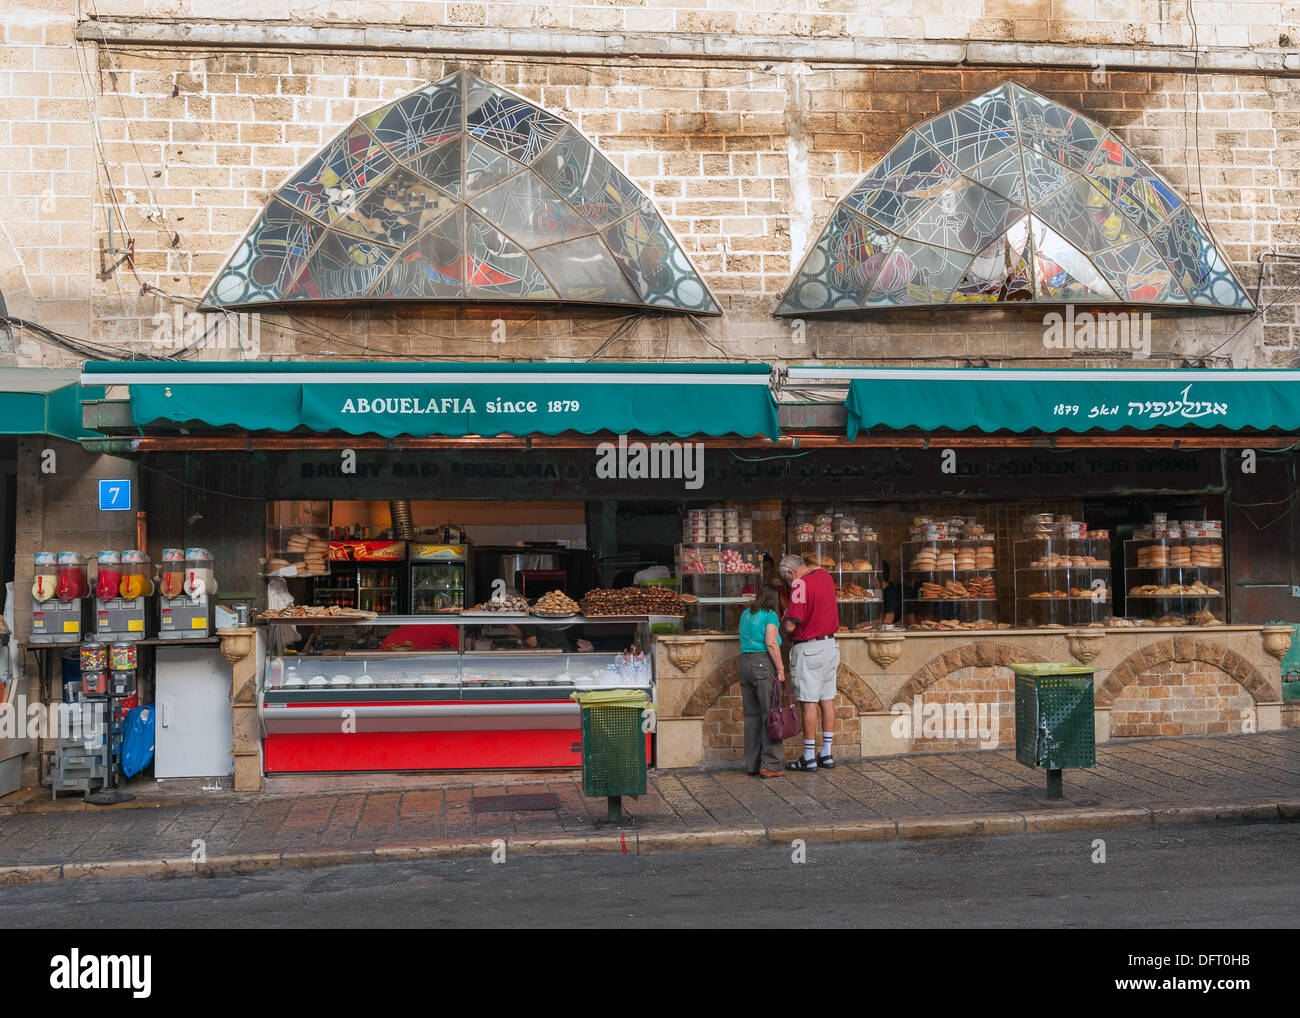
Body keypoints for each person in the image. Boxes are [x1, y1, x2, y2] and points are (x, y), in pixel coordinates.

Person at [778, 552, 840, 772]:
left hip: (809, 650)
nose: (789, 582)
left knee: (809, 703)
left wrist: (783, 619)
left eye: (787, 578)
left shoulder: (799, 585)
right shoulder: (825, 575)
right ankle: (826, 753)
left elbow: (791, 626)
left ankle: (808, 756)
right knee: (827, 700)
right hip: (830, 646)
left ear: (791, 573)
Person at [737, 583, 786, 778]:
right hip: (763, 664)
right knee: (771, 715)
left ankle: (752, 763)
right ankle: (771, 765)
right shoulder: (770, 615)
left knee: (751, 716)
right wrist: (781, 669)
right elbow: (771, 643)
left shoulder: (745, 614)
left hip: (745, 663)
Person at [881, 559, 903, 626]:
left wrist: (866, 624)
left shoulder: (892, 593)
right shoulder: (882, 592)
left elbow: (888, 621)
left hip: (891, 634)